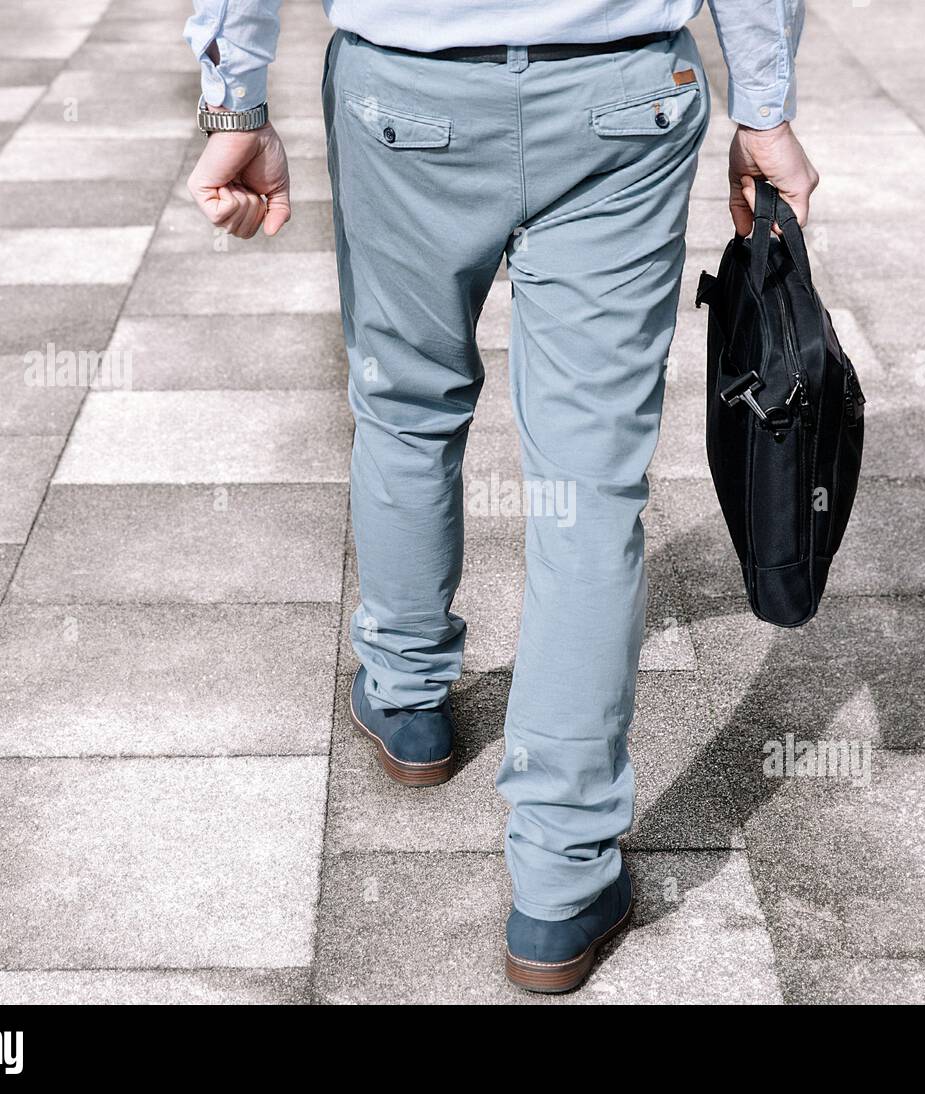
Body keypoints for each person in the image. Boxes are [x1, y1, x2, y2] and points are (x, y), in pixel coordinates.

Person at [183, 0, 818, 993]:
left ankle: (406, 700)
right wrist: (765, 105)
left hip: (405, 84)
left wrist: (233, 104)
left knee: (405, 409)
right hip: (622, 93)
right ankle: (561, 882)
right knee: (590, 488)